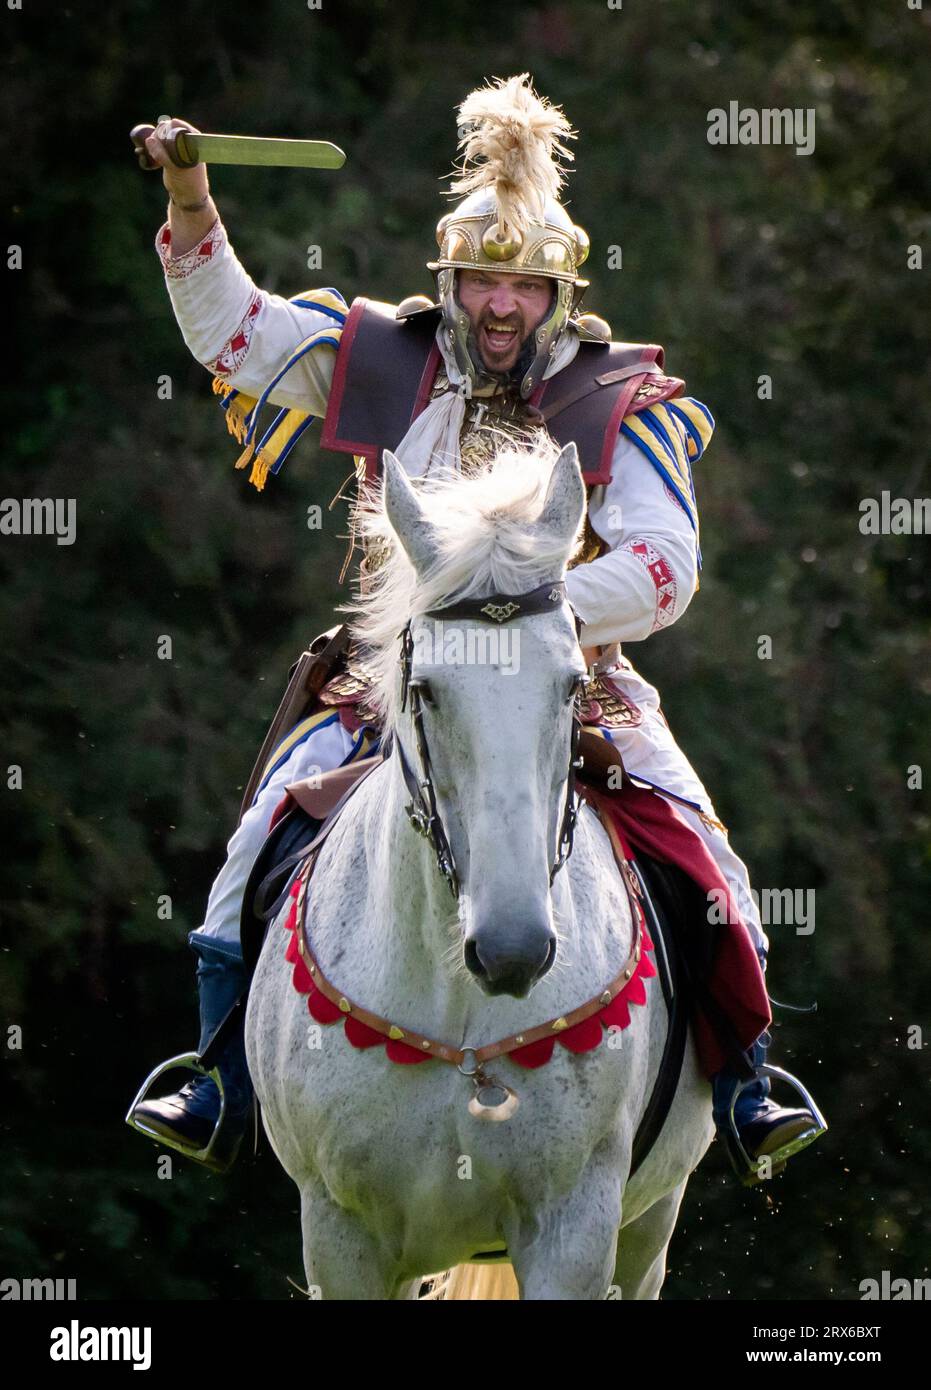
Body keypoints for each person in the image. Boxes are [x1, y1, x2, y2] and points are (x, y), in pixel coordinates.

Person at [128, 75, 824, 1183]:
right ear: (448, 280)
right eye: (482, 280)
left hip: (571, 685)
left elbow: (662, 569)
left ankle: (746, 1081)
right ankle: (214, 1071)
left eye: (525, 285)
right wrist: (192, 200)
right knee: (257, 838)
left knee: (705, 855)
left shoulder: (622, 400)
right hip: (391, 681)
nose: (501, 305)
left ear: (560, 293)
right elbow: (236, 338)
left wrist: (519, 617)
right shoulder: (376, 358)